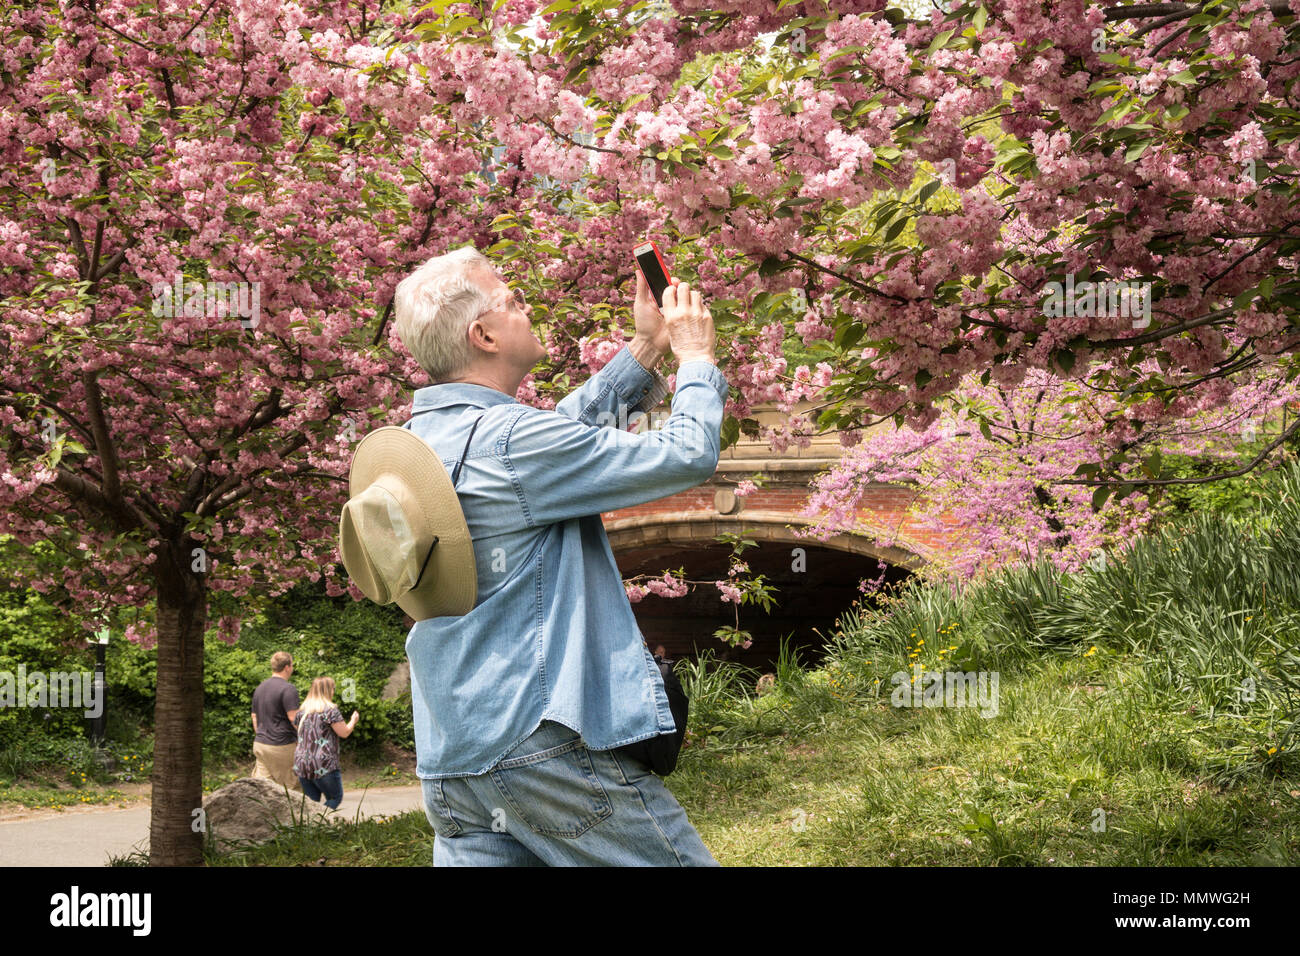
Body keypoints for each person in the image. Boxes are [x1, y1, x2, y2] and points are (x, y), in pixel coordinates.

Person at [391, 243, 725, 866]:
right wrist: (695, 357)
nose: (527, 307)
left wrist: (646, 348)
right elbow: (688, 454)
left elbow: (558, 438)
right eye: (513, 302)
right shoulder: (515, 440)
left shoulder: (419, 443)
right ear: (483, 334)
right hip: (543, 750)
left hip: (454, 760)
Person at [292, 676, 359, 810]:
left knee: (311, 803)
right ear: (328, 690)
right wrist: (353, 720)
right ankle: (320, 823)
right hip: (324, 763)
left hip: (302, 763)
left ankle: (309, 827)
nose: (334, 691)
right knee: (334, 798)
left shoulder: (302, 712)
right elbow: (344, 732)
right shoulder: (330, 711)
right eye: (333, 688)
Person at [250, 651, 302, 791]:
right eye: (292, 665)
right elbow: (293, 718)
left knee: (263, 790)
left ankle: (263, 813)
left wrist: (263, 734)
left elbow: (254, 717)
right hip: (281, 746)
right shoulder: (288, 689)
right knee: (293, 788)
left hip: (261, 745)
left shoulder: (260, 688)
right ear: (287, 667)